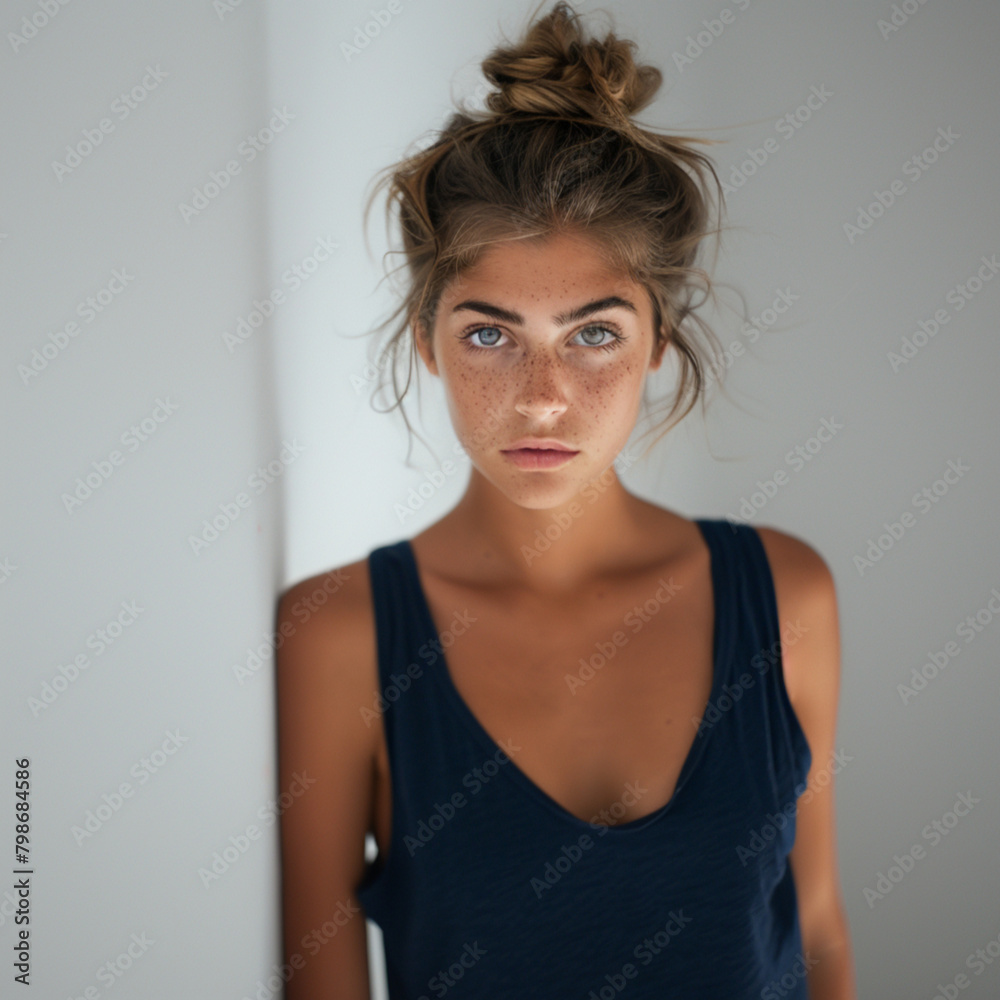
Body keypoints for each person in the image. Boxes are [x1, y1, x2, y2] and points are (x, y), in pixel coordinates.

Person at [275, 2, 857, 997]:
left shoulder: (787, 595)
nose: (542, 394)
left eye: (593, 333)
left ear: (657, 343)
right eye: (489, 334)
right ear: (426, 339)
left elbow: (816, 928)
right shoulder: (339, 636)